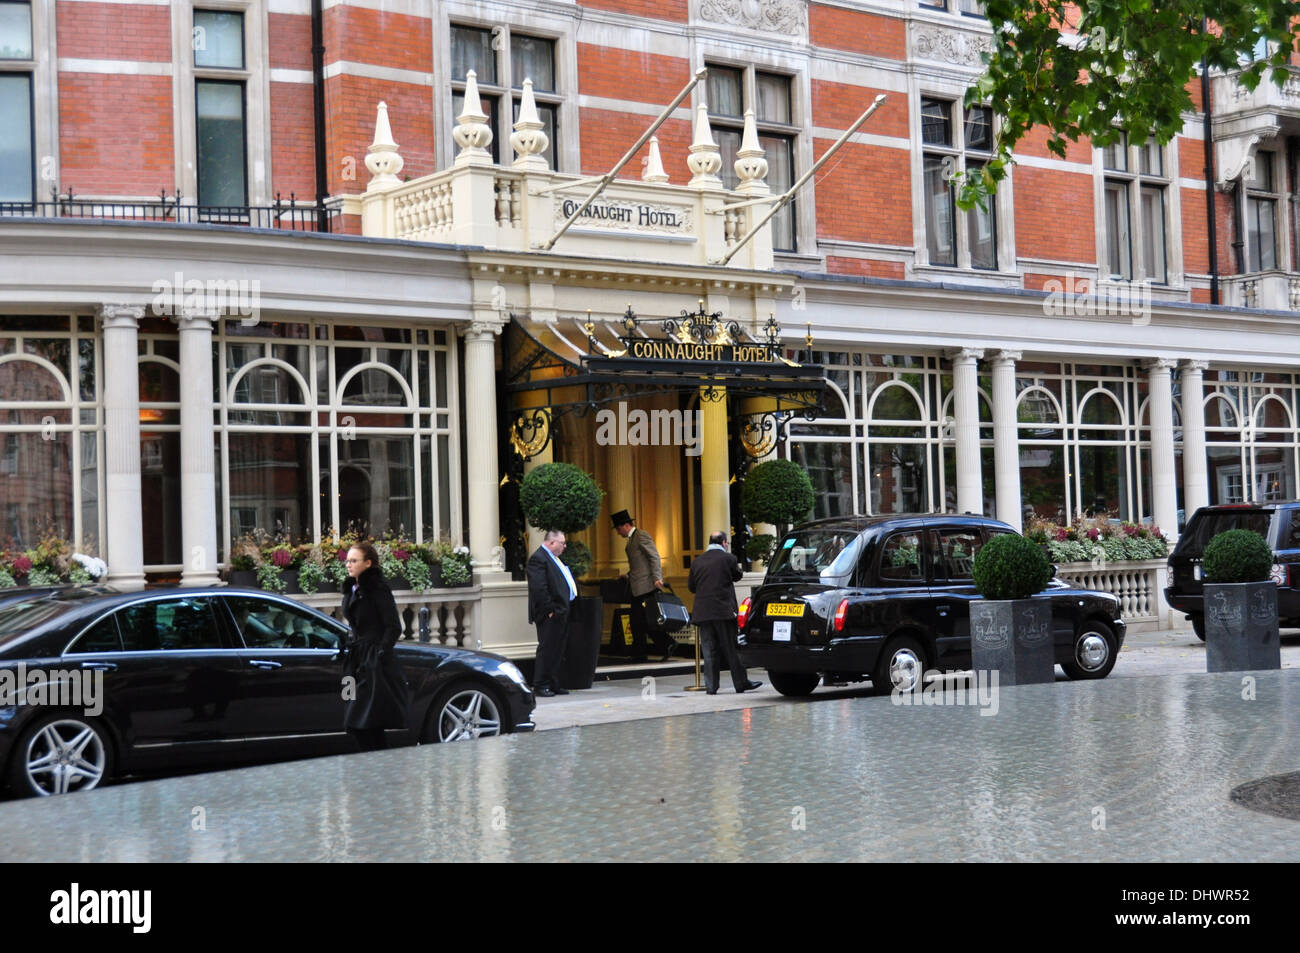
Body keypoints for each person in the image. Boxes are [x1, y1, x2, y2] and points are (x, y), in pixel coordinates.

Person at [340, 541, 411, 751]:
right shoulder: (352, 589)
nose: (348, 565)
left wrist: (380, 653)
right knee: (355, 717)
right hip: (354, 660)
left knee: (364, 719)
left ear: (368, 563)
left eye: (354, 561)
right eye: (347, 561)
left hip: (373, 662)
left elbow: (394, 627)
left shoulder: (378, 589)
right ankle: (379, 763)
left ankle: (379, 763)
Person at [688, 531, 762, 695]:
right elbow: (737, 576)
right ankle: (741, 683)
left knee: (709, 650)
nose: (727, 545)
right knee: (731, 648)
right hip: (723, 611)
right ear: (723, 543)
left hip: (703, 612)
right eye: (727, 542)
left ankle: (711, 687)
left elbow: (692, 587)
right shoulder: (729, 559)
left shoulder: (697, 562)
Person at [612, 508, 668, 659]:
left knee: (644, 621)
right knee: (640, 622)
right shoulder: (631, 540)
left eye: (618, 529)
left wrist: (657, 578)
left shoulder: (641, 535)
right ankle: (643, 651)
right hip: (637, 587)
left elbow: (654, 557)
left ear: (625, 525)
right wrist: (628, 575)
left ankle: (663, 645)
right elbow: (639, 564)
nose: (618, 533)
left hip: (647, 587)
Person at [526, 529, 576, 697]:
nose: (565, 546)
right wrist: (550, 610)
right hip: (550, 613)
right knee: (547, 649)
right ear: (551, 542)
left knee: (558, 649)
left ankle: (553, 682)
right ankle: (540, 684)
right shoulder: (538, 559)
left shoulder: (554, 558)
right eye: (562, 543)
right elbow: (539, 589)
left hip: (561, 611)